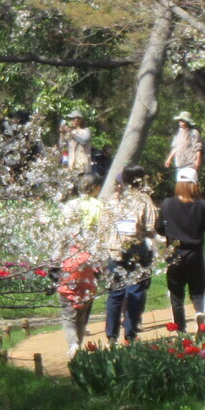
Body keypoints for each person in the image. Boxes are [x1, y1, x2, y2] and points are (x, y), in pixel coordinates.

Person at [156, 167, 205, 333]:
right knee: (198, 290)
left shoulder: (167, 204)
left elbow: (159, 228)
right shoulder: (203, 205)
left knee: (176, 294)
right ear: (195, 184)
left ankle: (180, 328)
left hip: (174, 254)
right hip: (195, 254)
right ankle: (199, 314)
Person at [102, 166, 157, 345]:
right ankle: (130, 334)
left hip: (115, 250)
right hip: (136, 251)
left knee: (115, 293)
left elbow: (103, 226)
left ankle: (111, 335)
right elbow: (151, 226)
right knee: (136, 291)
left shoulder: (111, 200)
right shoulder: (143, 200)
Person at [56, 175, 104, 356]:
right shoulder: (98, 206)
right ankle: (80, 344)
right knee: (84, 309)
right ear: (96, 187)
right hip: (90, 262)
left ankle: (73, 344)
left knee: (68, 311)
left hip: (70, 262)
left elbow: (61, 236)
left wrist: (55, 262)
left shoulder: (70, 206)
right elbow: (101, 236)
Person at [60, 111, 93, 177]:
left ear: (80, 120)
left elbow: (83, 141)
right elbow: (61, 145)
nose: (72, 121)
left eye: (73, 119)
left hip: (83, 167)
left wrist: (70, 132)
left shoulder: (86, 131)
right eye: (71, 119)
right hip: (72, 166)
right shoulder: (71, 132)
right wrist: (61, 133)